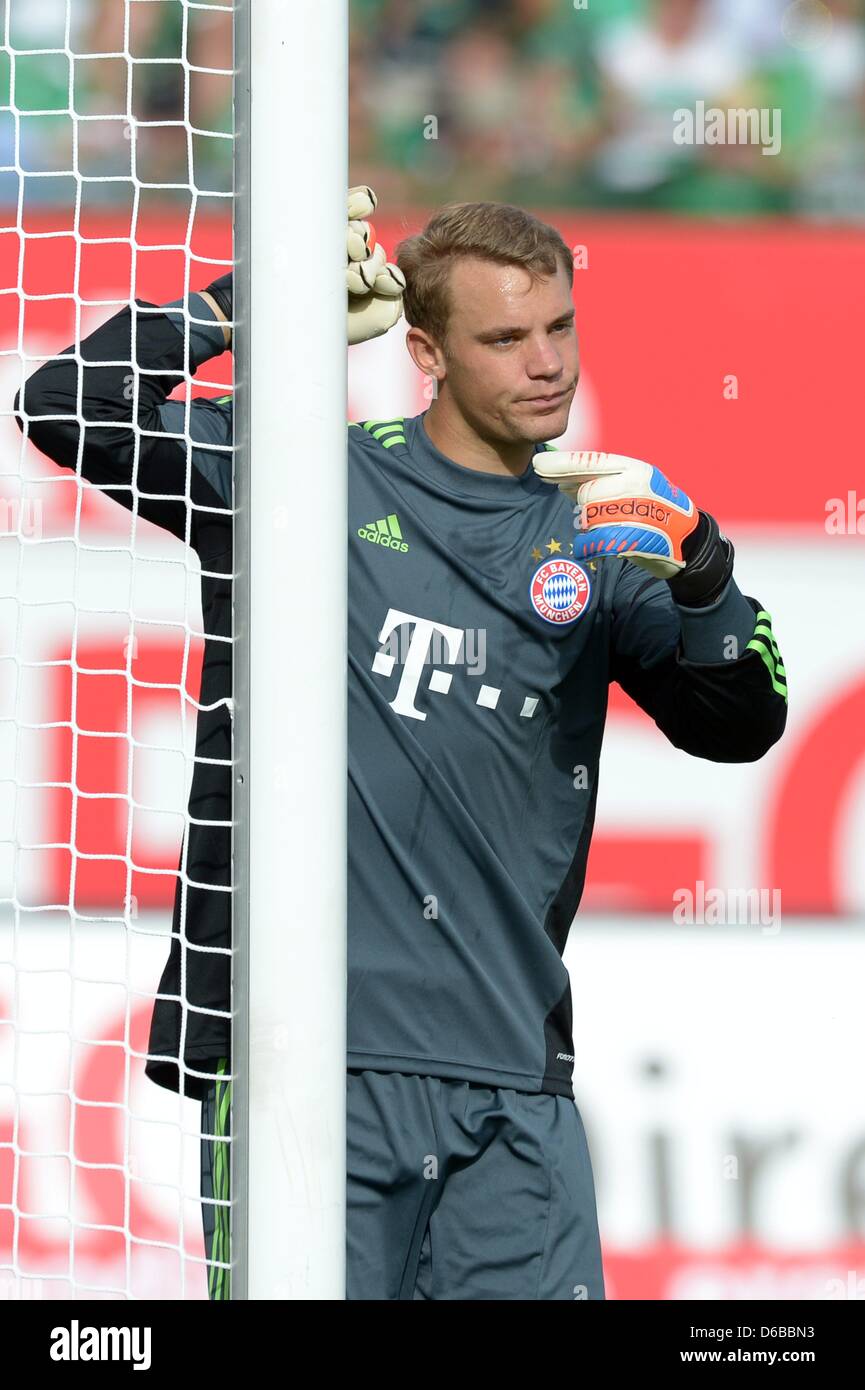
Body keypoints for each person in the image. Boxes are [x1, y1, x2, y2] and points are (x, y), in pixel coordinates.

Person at [13, 188, 787, 1300]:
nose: (546, 363)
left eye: (560, 328)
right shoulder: (298, 479)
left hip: (510, 1084)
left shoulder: (602, 538)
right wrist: (250, 306)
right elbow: (62, 402)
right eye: (505, 337)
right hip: (297, 1068)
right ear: (422, 348)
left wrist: (703, 568)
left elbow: (742, 723)